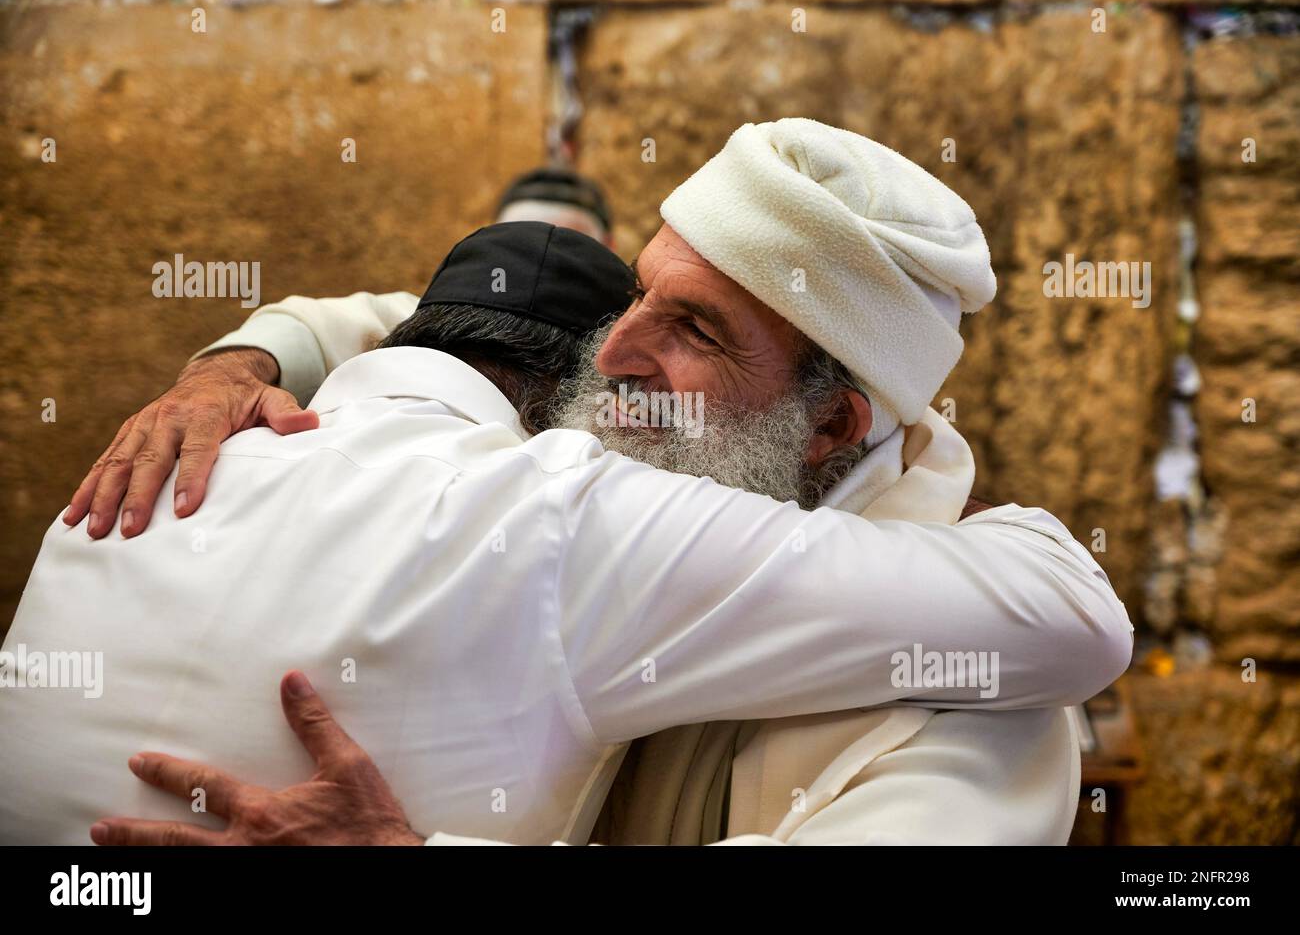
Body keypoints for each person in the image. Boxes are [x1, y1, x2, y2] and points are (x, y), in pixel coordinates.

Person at [56, 120, 1133, 845]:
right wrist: (240, 366)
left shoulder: (972, 690)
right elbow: (436, 324)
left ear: (829, 427)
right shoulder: (648, 456)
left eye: (694, 329)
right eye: (637, 294)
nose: (610, 353)